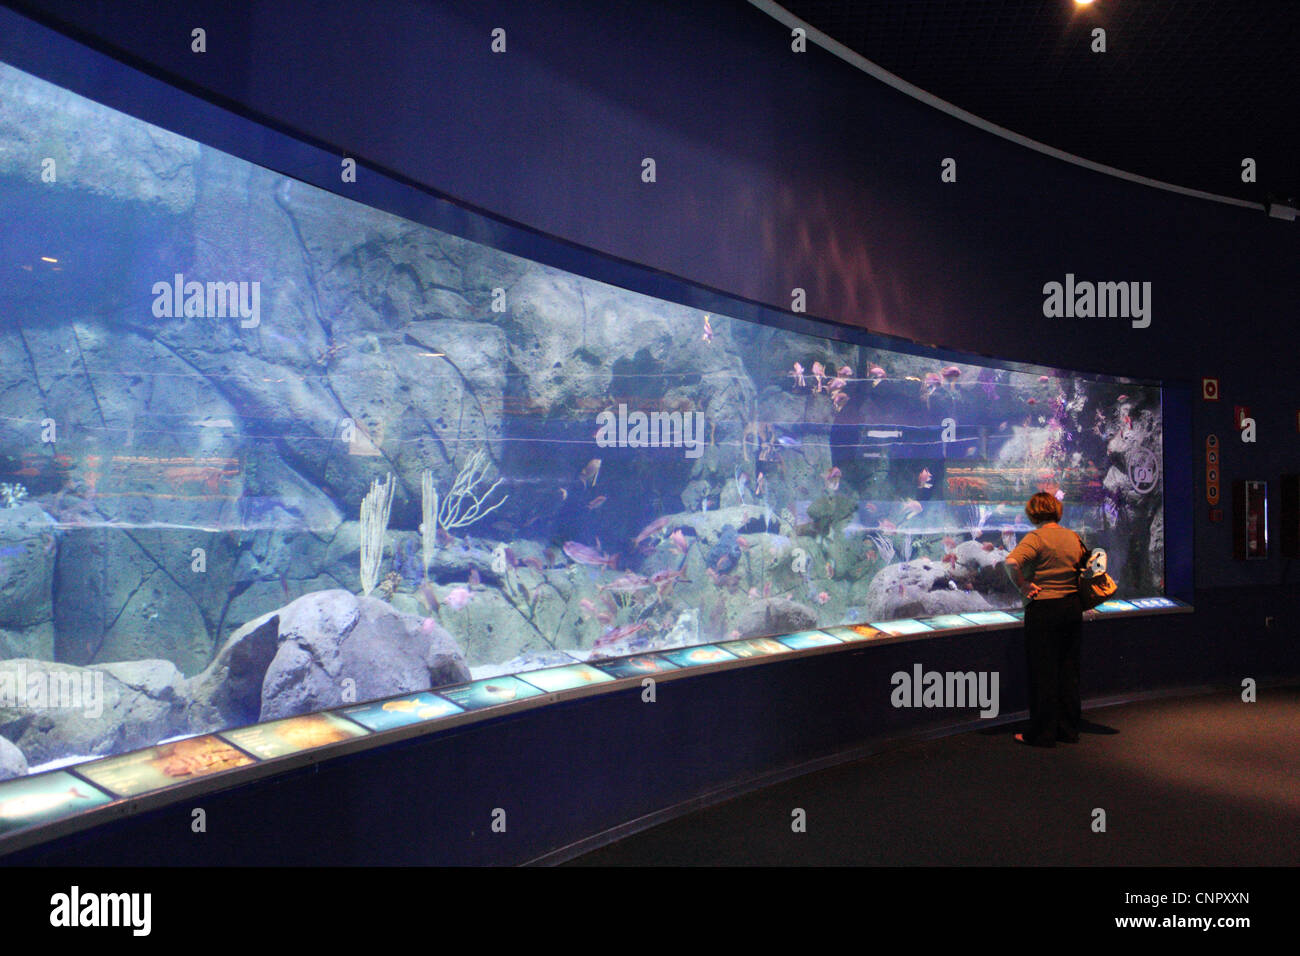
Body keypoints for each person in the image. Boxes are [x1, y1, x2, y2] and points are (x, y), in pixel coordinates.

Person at [1003, 492, 1086, 747]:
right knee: (1068, 670)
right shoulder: (1073, 536)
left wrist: (1023, 585)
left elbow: (1011, 561)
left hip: (1044, 609)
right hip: (1072, 607)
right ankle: (1069, 729)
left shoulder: (1036, 538)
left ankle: (1042, 733)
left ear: (1033, 512)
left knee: (1043, 672)